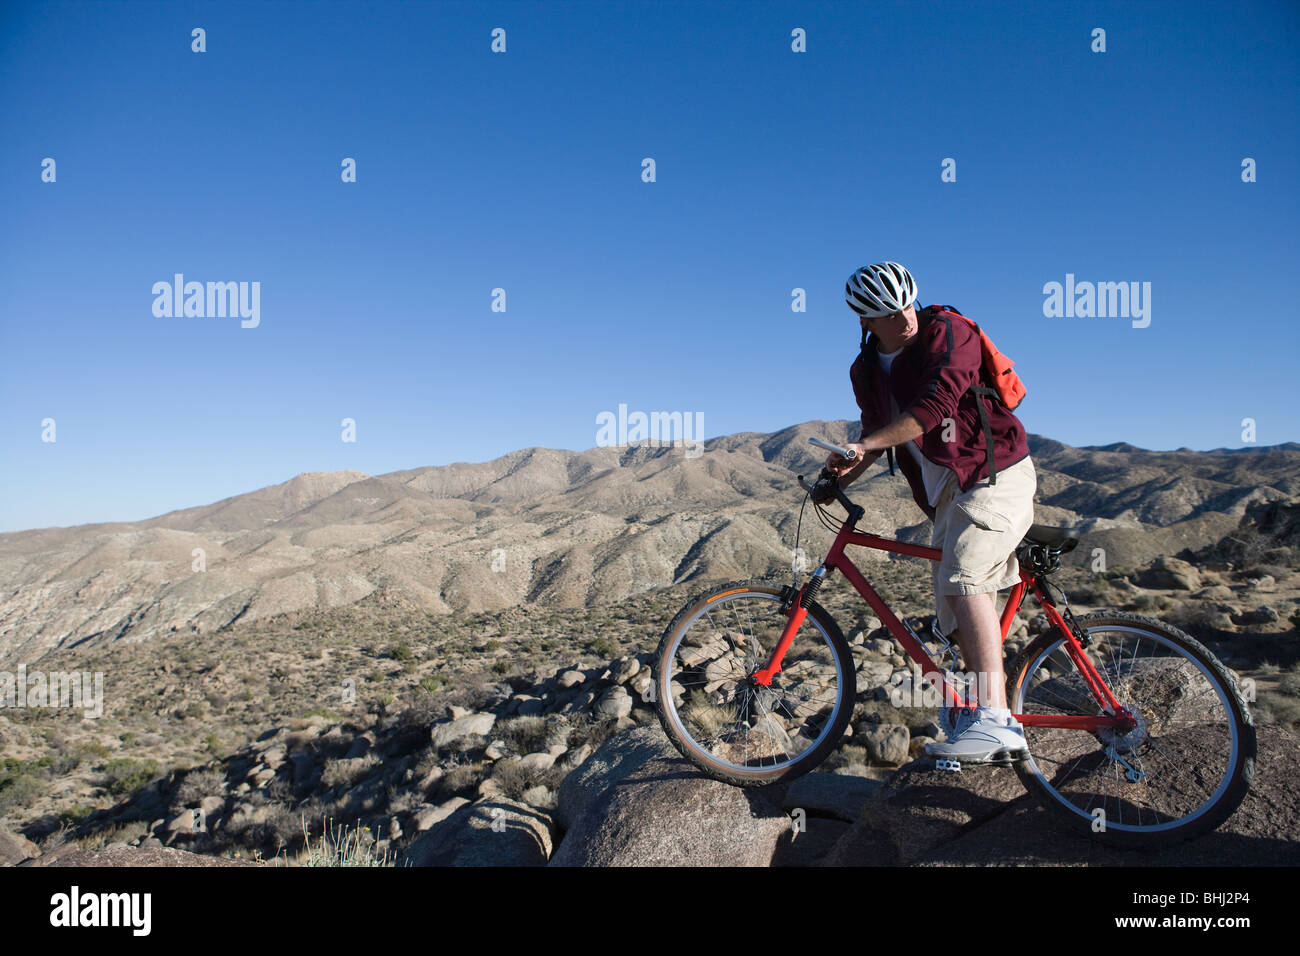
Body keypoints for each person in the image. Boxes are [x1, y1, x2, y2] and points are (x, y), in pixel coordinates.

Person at [825, 261, 1038, 764]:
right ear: (864, 321)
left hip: (993, 471)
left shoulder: (948, 329)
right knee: (953, 610)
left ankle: (995, 719)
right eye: (888, 315)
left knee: (965, 578)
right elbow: (875, 434)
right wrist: (837, 476)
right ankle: (979, 717)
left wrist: (865, 443)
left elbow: (938, 403)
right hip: (947, 494)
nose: (904, 320)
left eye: (905, 307)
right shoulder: (865, 370)